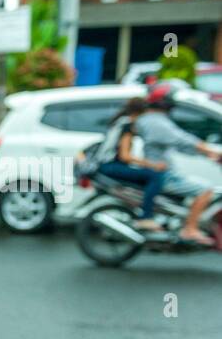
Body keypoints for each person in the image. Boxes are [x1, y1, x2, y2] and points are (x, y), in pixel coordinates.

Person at [135, 81, 222, 246]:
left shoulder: (153, 119)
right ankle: (190, 229)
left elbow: (182, 145)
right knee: (206, 190)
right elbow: (183, 139)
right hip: (163, 173)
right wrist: (212, 151)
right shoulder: (156, 122)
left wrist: (208, 154)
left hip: (161, 170)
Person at [92, 97, 166, 233]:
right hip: (110, 166)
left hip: (106, 165)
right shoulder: (128, 126)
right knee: (155, 176)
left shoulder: (120, 121)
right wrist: (152, 164)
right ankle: (146, 217)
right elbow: (125, 156)